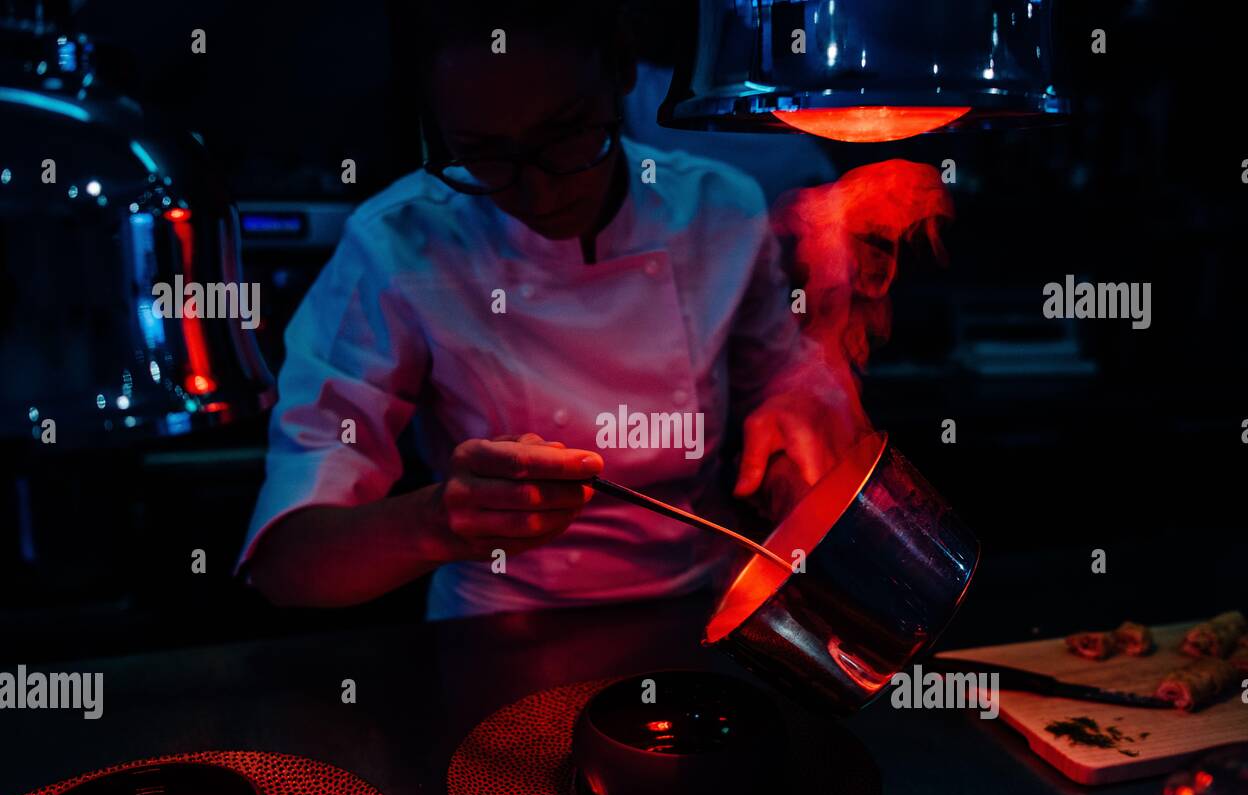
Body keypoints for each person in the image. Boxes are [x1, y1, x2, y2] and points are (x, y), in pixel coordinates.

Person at [241, 2, 864, 618]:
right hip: (496, 628)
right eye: (485, 154)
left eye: (565, 135)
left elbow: (783, 391)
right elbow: (289, 563)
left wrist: (796, 421)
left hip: (700, 607)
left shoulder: (720, 210)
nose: (538, 191)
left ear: (620, 70)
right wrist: (439, 523)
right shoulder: (398, 243)